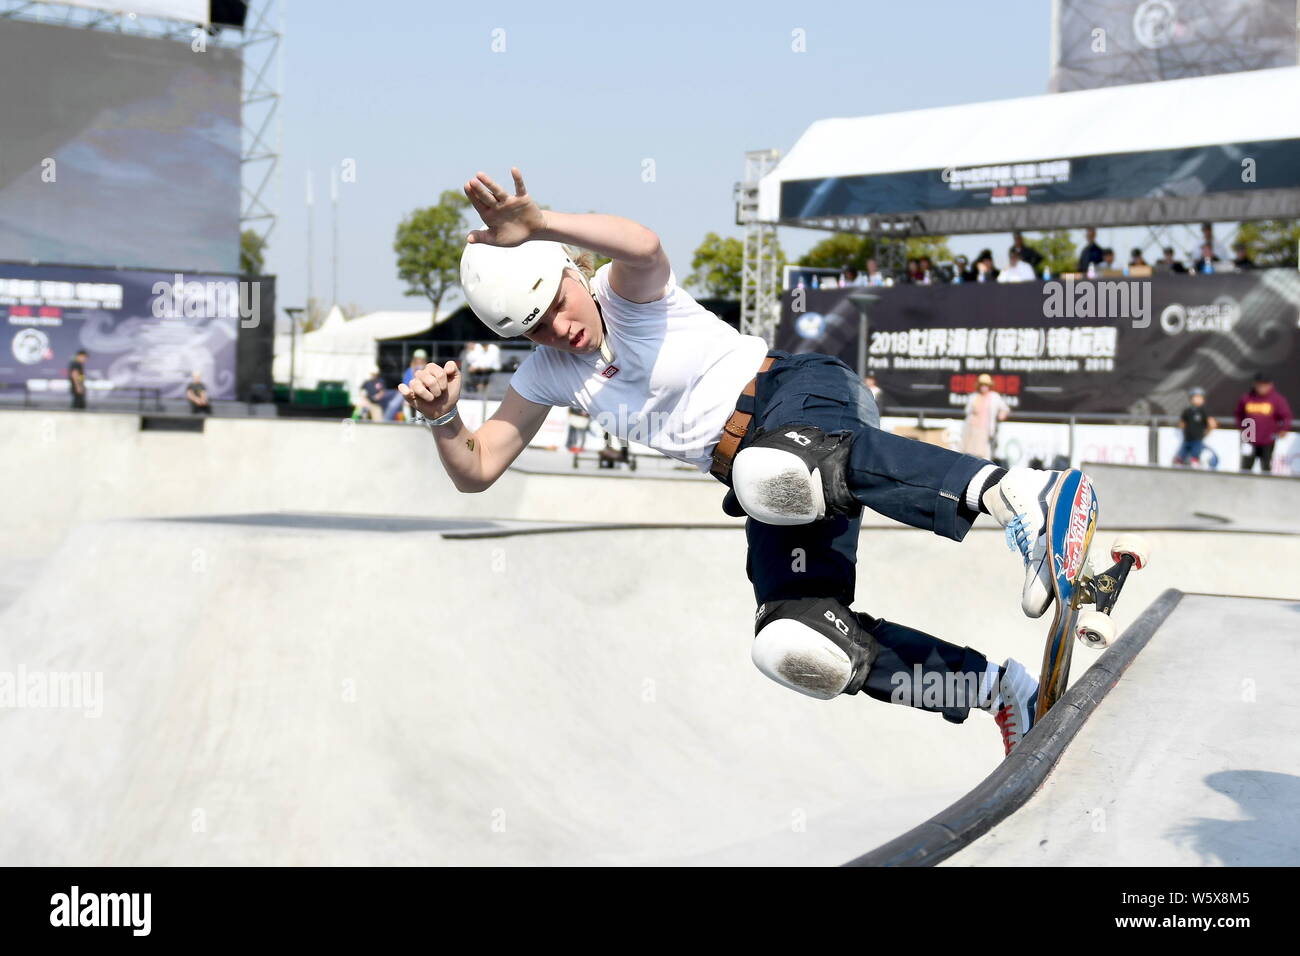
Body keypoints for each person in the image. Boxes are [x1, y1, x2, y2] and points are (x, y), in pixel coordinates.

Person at [402, 167, 1101, 756]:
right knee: (796, 641)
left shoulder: (626, 290)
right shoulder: (549, 373)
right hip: (767, 479)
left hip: (798, 393)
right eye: (537, 328)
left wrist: (542, 221)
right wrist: (443, 419)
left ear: (569, 272)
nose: (561, 330)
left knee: (774, 471)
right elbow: (479, 467)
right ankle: (995, 688)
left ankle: (1024, 495)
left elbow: (644, 243)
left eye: (556, 304)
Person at [1236, 373, 1292, 473]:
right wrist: (1241, 428)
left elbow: (1286, 416)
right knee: (1245, 467)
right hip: (1248, 439)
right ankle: (1242, 487)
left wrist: (1284, 429)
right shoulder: (1247, 398)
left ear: (1270, 385)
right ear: (1255, 384)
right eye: (1259, 384)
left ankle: (1267, 488)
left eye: (1264, 385)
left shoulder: (1276, 399)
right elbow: (1238, 414)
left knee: (1266, 467)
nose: (1262, 387)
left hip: (1267, 440)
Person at [961, 374, 1010, 459]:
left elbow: (1005, 409)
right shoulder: (974, 396)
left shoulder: (994, 397)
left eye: (986, 385)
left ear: (989, 386)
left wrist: (1001, 415)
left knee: (982, 454)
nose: (984, 387)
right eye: (982, 385)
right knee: (968, 452)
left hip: (984, 429)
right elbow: (967, 410)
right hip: (971, 428)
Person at [1173, 387, 1217, 468]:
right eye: (1194, 397)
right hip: (1187, 439)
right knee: (1180, 457)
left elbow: (1212, 423)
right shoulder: (1187, 411)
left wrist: (1207, 432)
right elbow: (1182, 423)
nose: (1196, 399)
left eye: (1199, 397)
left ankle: (1195, 464)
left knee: (1195, 456)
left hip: (1197, 439)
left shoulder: (1204, 410)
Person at [386, 350, 428, 420]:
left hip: (420, 391)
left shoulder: (426, 370)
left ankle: (419, 421)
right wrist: (406, 396)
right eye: (417, 359)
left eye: (421, 359)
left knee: (420, 404)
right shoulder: (410, 370)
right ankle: (388, 420)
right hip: (408, 390)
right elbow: (405, 383)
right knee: (393, 404)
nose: (419, 361)